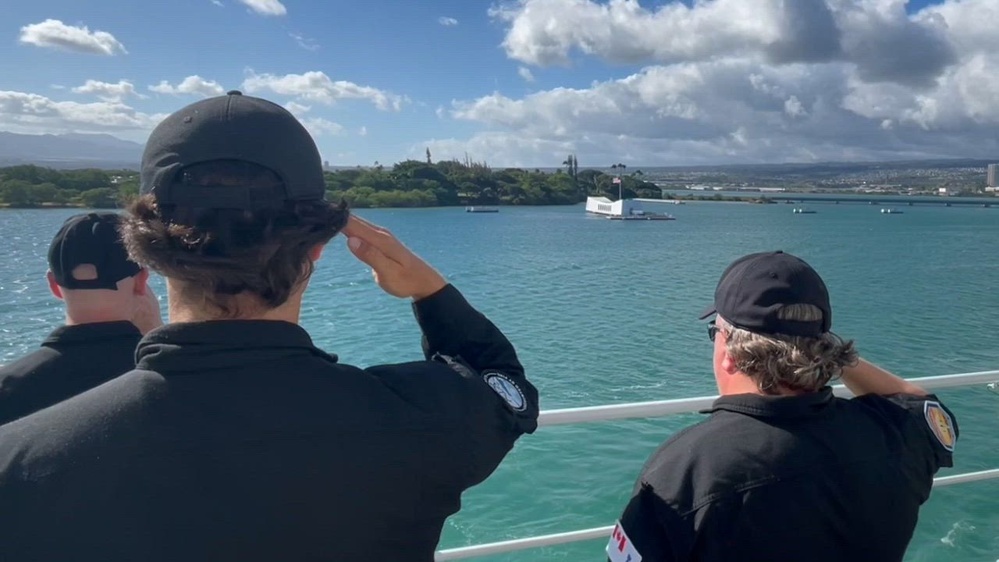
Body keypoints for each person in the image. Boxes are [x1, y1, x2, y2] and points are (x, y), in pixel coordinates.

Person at [0, 91, 538, 562]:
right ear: (316, 248)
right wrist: (430, 290)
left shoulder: (21, 463)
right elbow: (503, 387)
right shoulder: (422, 421)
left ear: (149, 255)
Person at [607, 250, 958, 562]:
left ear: (728, 351)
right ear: (825, 346)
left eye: (715, 331)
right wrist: (830, 354)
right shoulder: (894, 434)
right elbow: (920, 402)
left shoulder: (686, 468)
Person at [0, 211, 162, 425]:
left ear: (53, 286)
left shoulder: (8, 386)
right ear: (142, 282)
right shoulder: (161, 373)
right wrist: (156, 334)